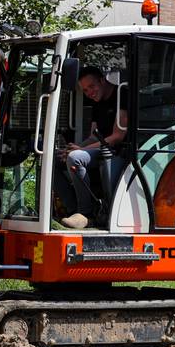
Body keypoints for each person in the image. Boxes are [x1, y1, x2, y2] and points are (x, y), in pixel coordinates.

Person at [56, 65, 129, 229]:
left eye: (92, 87)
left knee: (76, 158)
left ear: (102, 80)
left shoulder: (122, 94)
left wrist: (79, 152)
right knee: (55, 159)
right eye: (85, 90)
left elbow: (117, 137)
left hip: (117, 151)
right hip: (101, 148)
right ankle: (72, 209)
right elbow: (94, 136)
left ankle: (85, 213)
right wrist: (76, 147)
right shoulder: (97, 101)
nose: (89, 93)